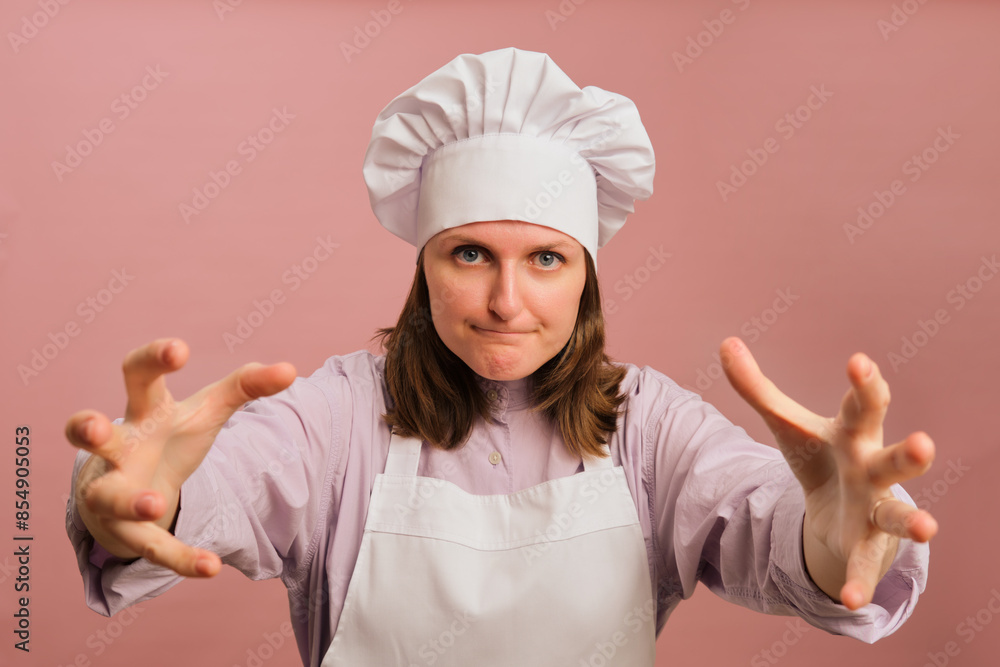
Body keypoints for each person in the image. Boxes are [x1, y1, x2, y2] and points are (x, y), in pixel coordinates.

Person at [65, 47, 936, 666]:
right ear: (425, 266)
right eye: (471, 253)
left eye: (546, 259)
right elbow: (229, 477)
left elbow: (774, 529)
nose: (507, 301)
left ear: (586, 277)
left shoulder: (652, 429)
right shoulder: (337, 416)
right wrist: (156, 497)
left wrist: (835, 528)